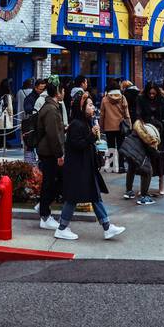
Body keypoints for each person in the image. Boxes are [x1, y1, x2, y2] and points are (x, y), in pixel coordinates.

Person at [53, 96, 125, 241]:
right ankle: (62, 228)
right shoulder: (76, 125)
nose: (93, 108)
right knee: (74, 198)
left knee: (93, 195)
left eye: (92, 105)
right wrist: (92, 135)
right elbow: (78, 145)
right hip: (78, 168)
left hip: (84, 166)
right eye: (90, 105)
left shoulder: (84, 123)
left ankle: (107, 226)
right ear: (81, 107)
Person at [35, 81, 66, 230]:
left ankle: (42, 206)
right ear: (58, 92)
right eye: (63, 90)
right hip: (49, 152)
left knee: (54, 181)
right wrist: (59, 154)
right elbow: (53, 134)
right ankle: (45, 216)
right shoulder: (51, 110)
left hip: (48, 150)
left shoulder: (52, 107)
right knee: (50, 183)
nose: (64, 93)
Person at [121, 120, 162, 204]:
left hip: (127, 149)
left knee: (131, 168)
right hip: (136, 152)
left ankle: (129, 191)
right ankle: (144, 197)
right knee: (147, 171)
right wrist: (158, 152)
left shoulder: (138, 130)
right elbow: (151, 150)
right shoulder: (148, 137)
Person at [142, 82, 164, 195]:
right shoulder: (142, 101)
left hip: (160, 133)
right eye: (150, 93)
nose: (152, 95)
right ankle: (144, 186)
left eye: (154, 93)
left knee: (160, 158)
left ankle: (161, 183)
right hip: (146, 133)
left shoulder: (162, 101)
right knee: (145, 159)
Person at [100, 84, 131, 173]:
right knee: (120, 147)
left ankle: (111, 167)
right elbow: (126, 113)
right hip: (121, 127)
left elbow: (102, 115)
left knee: (111, 146)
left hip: (108, 127)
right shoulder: (122, 98)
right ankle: (121, 167)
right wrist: (129, 124)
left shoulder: (105, 99)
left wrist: (101, 126)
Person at [21, 77, 47, 164]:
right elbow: (28, 109)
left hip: (42, 127)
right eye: (40, 89)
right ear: (35, 88)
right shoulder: (30, 98)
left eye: (44, 89)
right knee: (30, 149)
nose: (42, 91)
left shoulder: (45, 97)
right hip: (32, 127)